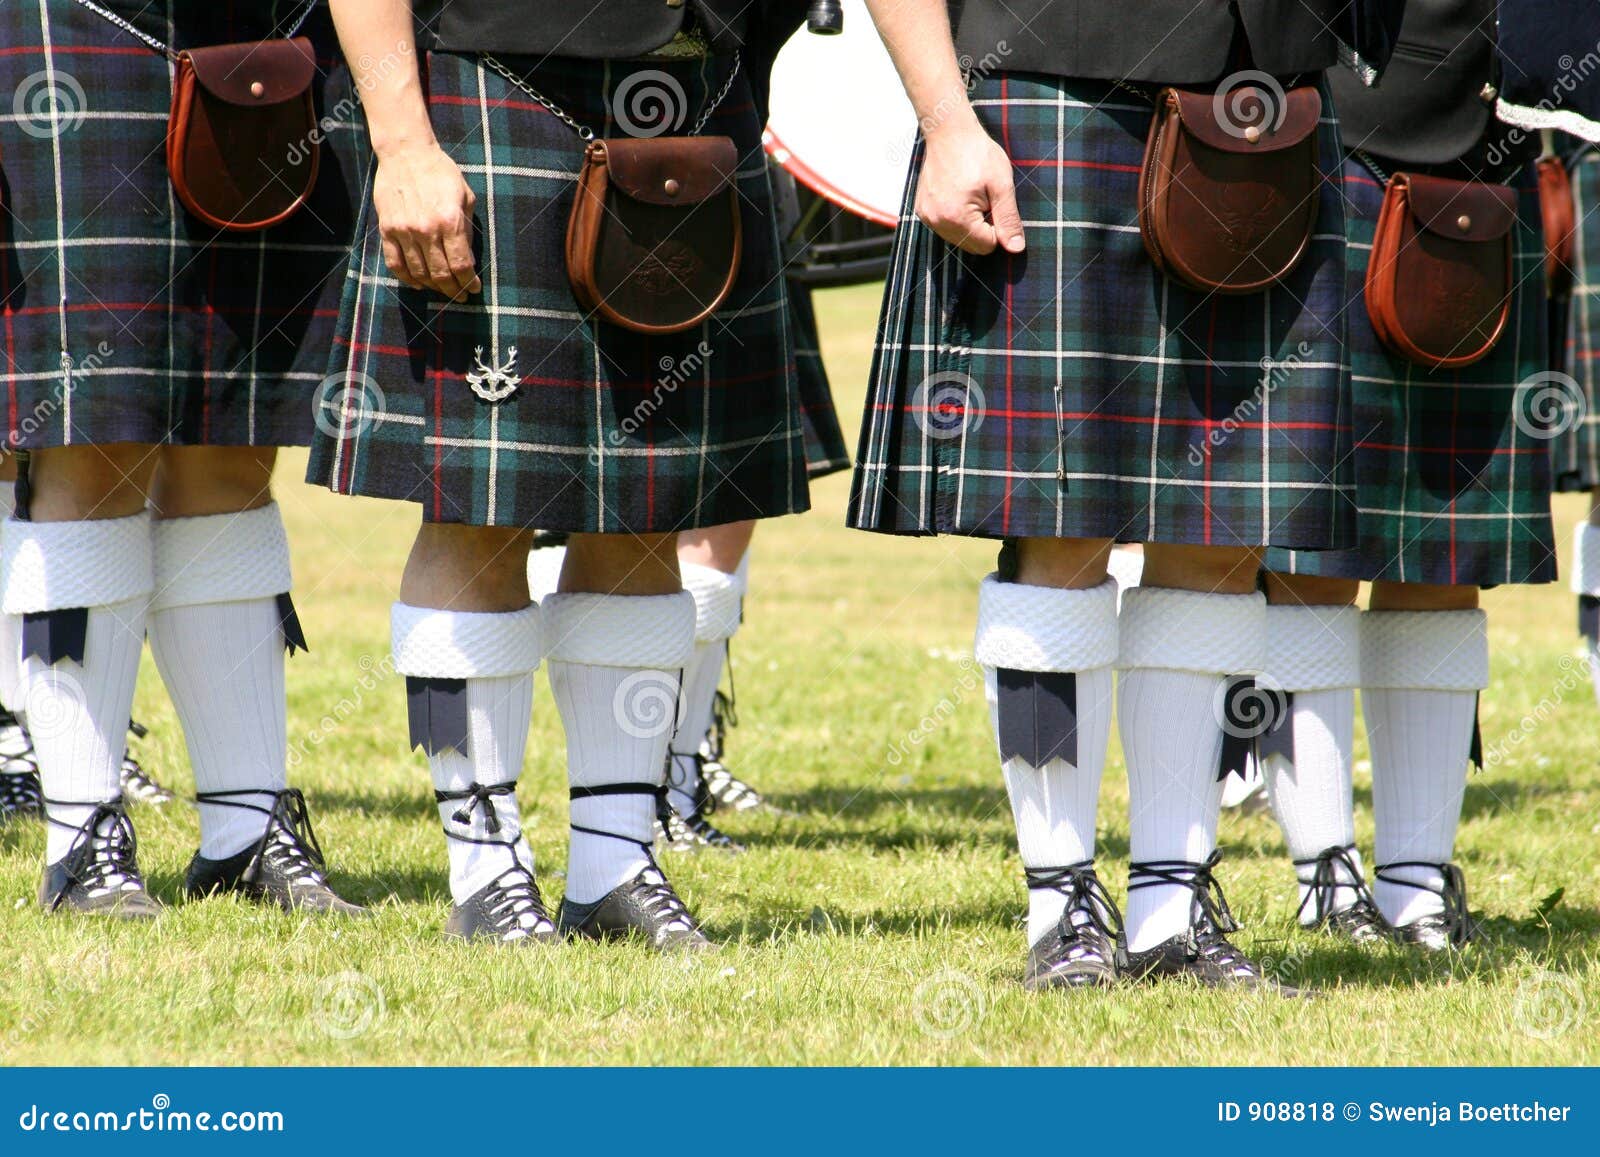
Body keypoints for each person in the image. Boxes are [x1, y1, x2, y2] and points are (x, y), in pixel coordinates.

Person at [854, 0, 1371, 990]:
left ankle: (1168, 912)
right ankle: (1060, 907)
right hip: (1052, 93)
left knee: (1226, 528)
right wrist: (946, 122)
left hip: (1267, 110)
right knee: (1060, 525)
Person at [310, 0, 809, 947]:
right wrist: (404, 144)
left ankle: (615, 865)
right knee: (478, 508)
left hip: (696, 102)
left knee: (648, 507)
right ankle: (487, 870)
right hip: (492, 88)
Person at [0, 0, 363, 917]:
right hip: (73, 30)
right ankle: (83, 838)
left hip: (269, 49)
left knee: (233, 446)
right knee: (94, 439)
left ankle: (247, 829)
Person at [1262, 0, 1555, 951]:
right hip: (1334, 134)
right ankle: (1323, 872)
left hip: (1491, 155)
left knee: (1444, 541)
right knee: (1315, 539)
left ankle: (1416, 881)